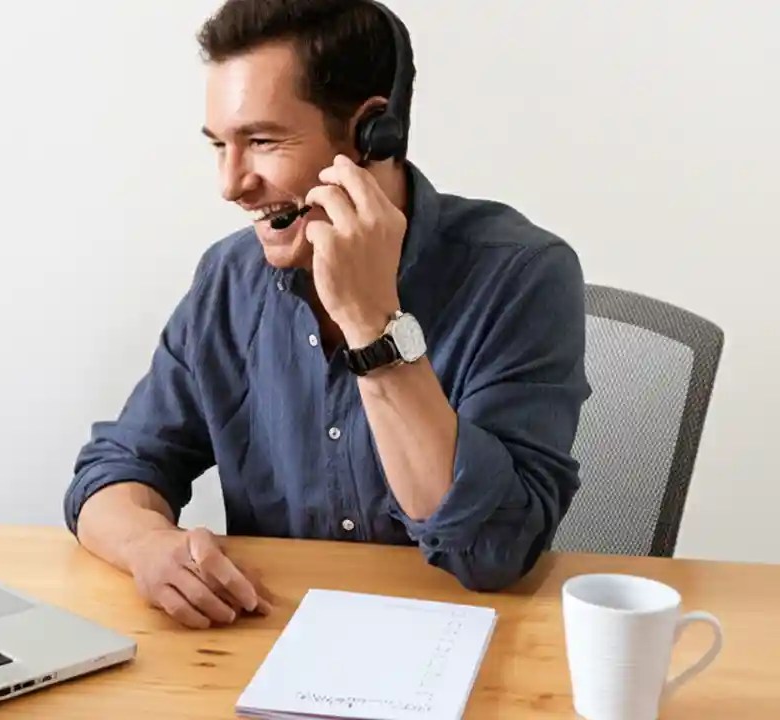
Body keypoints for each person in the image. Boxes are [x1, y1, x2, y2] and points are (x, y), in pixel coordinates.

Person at [63, 0, 591, 629]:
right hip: (274, 644)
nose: (230, 185)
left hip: (471, 654)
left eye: (261, 141)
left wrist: (374, 326)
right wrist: (146, 545)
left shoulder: (521, 275)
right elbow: (117, 469)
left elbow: (492, 553)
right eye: (219, 146)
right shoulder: (231, 281)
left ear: (372, 134)